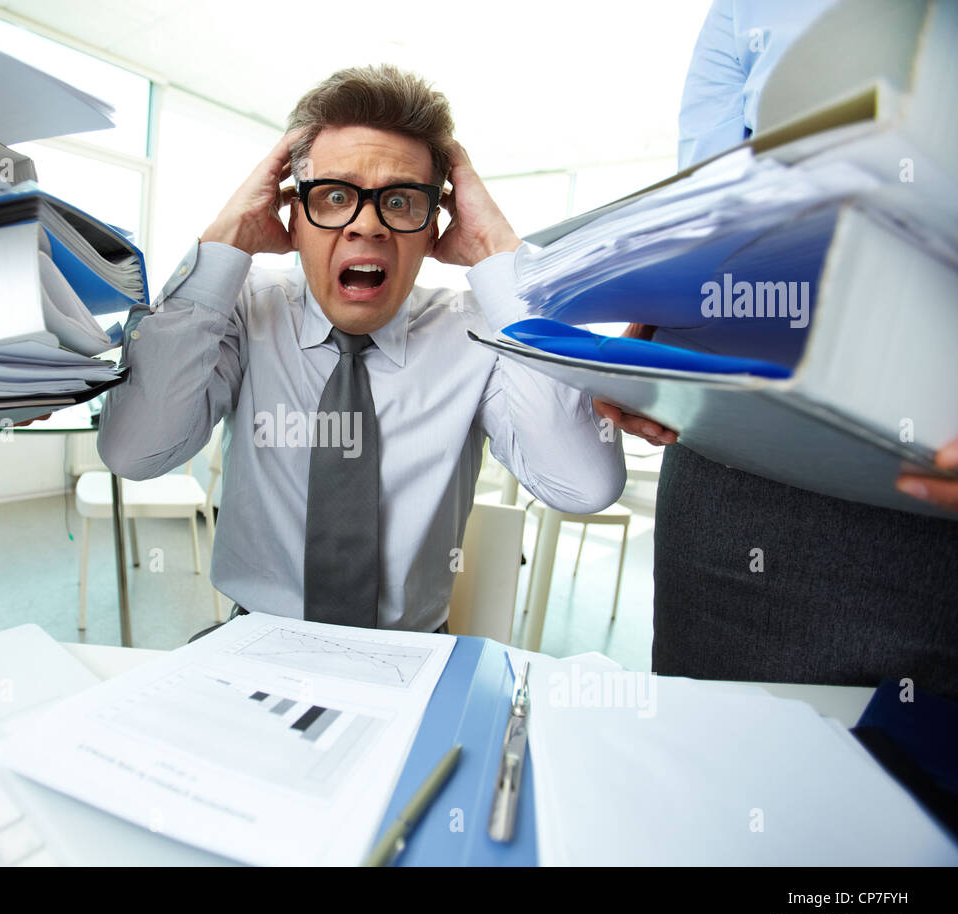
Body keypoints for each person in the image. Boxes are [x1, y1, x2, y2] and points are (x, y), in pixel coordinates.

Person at [99, 65, 632, 633]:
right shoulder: (243, 311)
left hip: (414, 657)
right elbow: (135, 453)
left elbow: (585, 485)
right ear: (294, 216)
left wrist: (496, 252)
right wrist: (226, 239)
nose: (368, 226)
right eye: (334, 196)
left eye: (401, 201)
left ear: (433, 228)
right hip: (252, 643)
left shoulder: (477, 333)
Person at [602, 0, 958, 697]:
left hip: (933, 474)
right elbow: (711, 200)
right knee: (717, 746)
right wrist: (665, 315)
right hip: (743, 462)